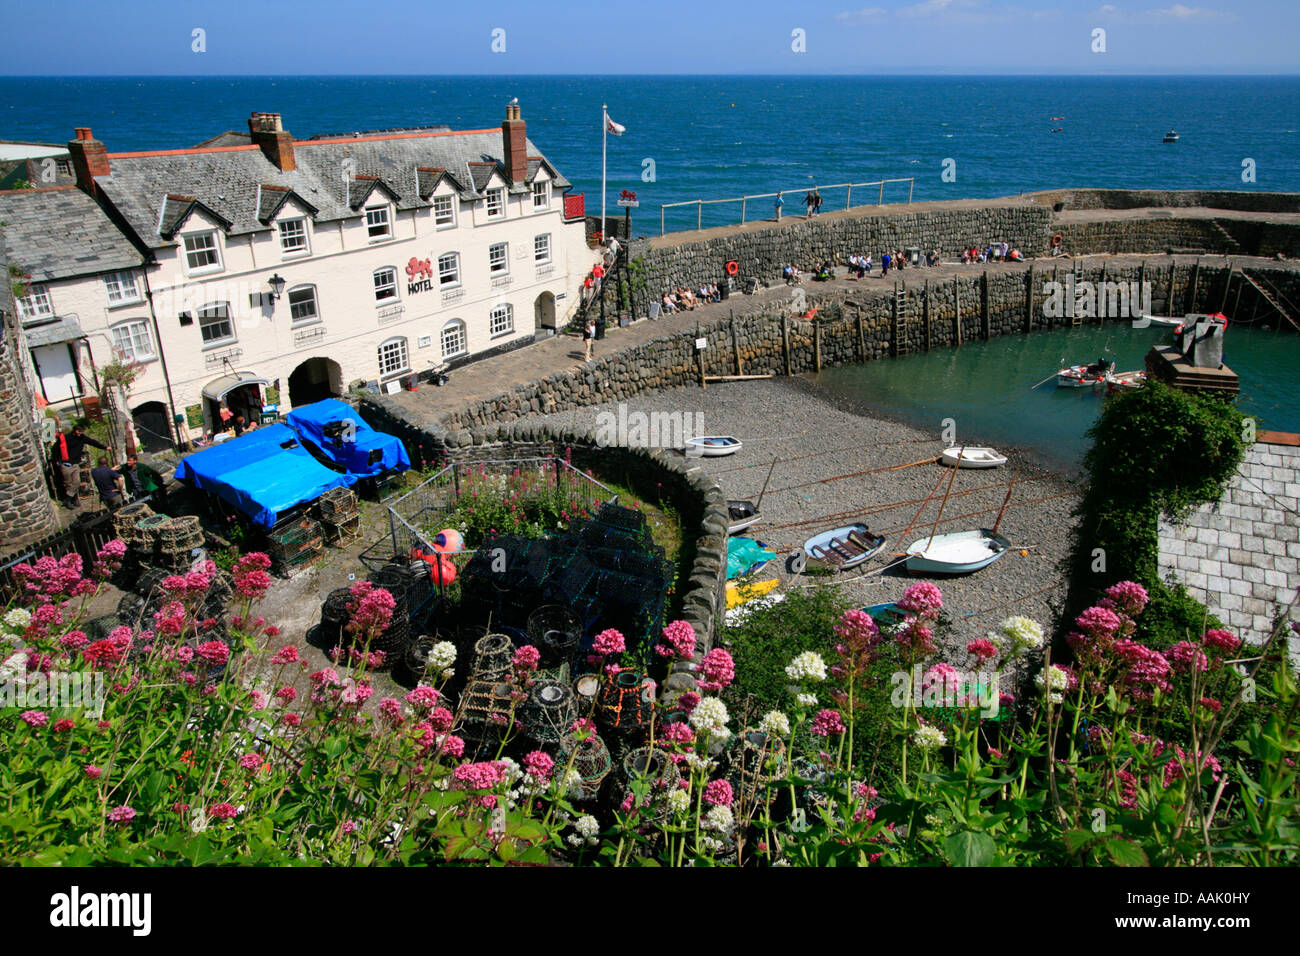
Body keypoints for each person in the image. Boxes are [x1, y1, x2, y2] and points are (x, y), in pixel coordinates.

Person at [51, 423, 106, 508]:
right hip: (65, 465)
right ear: (75, 431)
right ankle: (74, 499)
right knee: (69, 484)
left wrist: (104, 447)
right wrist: (56, 461)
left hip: (75, 464)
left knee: (76, 482)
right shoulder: (65, 438)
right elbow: (54, 449)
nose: (81, 433)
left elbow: (92, 442)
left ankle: (67, 499)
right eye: (80, 431)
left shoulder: (82, 438)